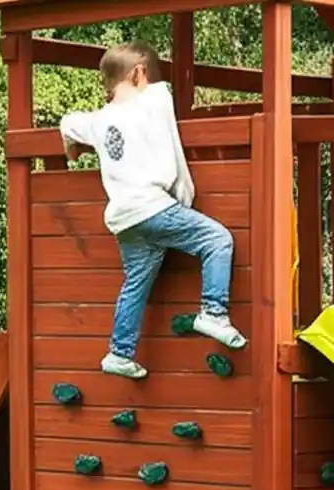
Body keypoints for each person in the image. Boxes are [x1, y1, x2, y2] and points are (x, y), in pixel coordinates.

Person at [59, 41, 246, 380]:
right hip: (153, 207)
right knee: (217, 240)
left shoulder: (98, 121)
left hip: (124, 219)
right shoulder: (157, 100)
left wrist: (71, 149)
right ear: (139, 73)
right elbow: (167, 124)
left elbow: (68, 123)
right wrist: (185, 194)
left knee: (135, 283)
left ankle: (119, 352)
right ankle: (213, 312)